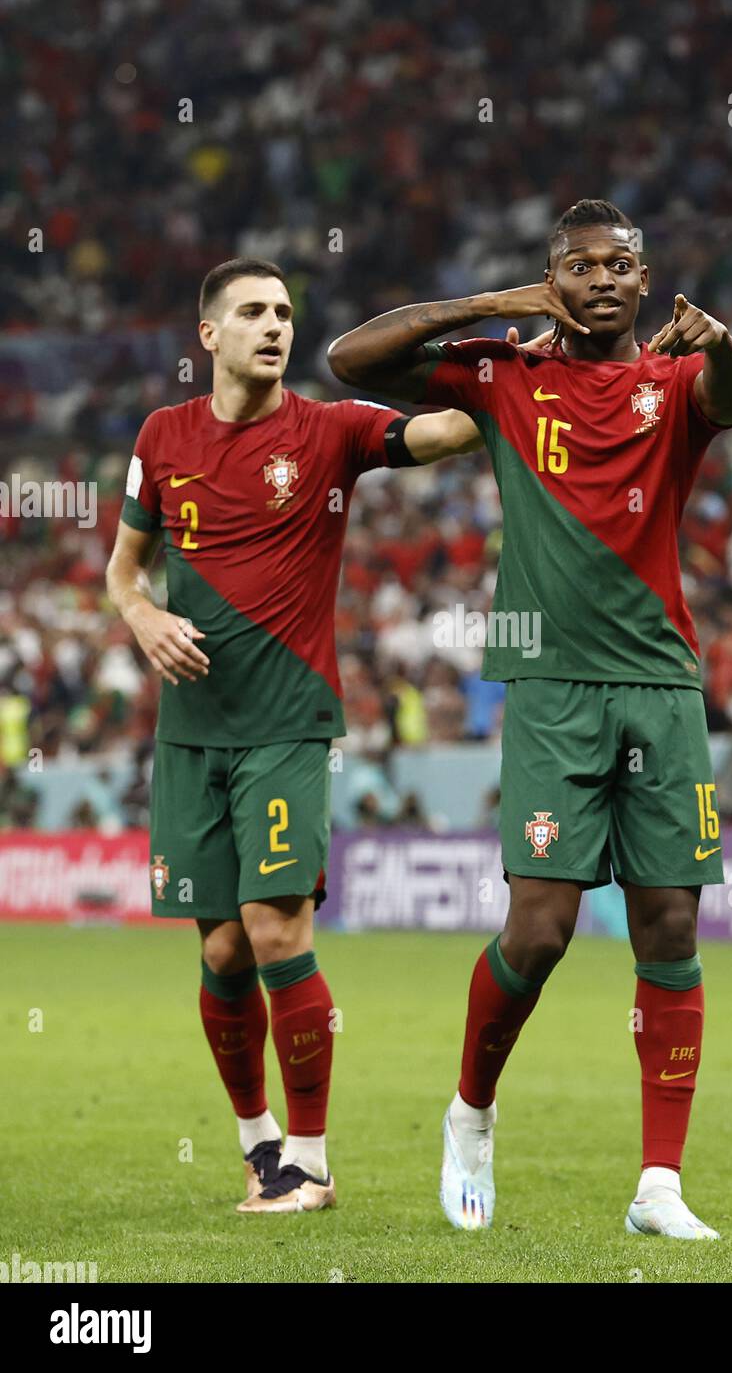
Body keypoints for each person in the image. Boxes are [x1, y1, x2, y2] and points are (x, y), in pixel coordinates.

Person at [328, 199, 732, 1239]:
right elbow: (349, 359)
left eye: (620, 264)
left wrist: (728, 344)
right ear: (551, 279)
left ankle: (659, 1183)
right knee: (542, 928)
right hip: (554, 689)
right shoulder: (501, 373)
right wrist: (486, 302)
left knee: (670, 924)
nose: (603, 278)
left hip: (660, 682)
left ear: (645, 283)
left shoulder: (675, 382)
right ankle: (470, 1113)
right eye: (579, 265)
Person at [106, 257, 482, 1214]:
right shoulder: (163, 436)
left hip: (287, 723)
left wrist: (520, 374)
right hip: (191, 734)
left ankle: (309, 1161)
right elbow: (124, 571)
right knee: (224, 950)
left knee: (276, 931)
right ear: (209, 337)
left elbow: (444, 430)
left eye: (283, 312)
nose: (273, 326)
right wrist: (142, 618)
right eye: (252, 312)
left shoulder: (329, 431)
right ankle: (257, 1143)